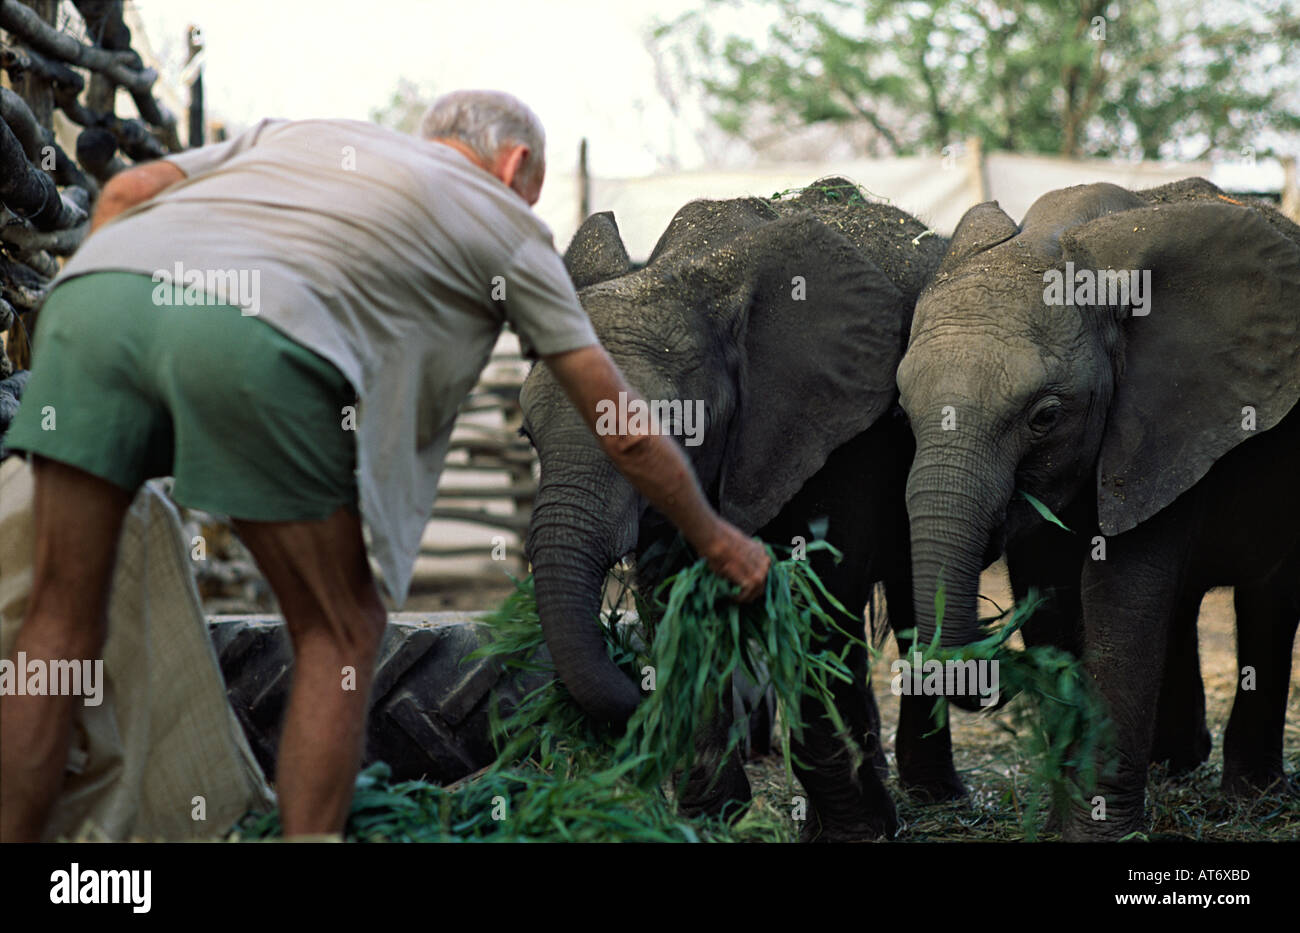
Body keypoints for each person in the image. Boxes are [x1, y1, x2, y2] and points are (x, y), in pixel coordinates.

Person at [0, 90, 770, 841]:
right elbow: (620, 424)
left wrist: (117, 319)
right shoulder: (502, 218)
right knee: (340, 627)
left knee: (59, 622)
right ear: (515, 164)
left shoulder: (297, 133)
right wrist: (717, 538)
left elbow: (132, 187)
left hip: (93, 296)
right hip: (256, 333)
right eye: (530, 192)